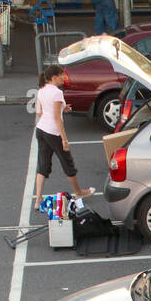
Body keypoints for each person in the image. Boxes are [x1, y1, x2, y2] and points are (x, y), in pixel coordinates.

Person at [33, 65, 95, 211]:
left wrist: (63, 109)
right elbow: (57, 119)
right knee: (68, 163)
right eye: (61, 75)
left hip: (41, 130)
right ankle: (79, 192)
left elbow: (40, 112)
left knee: (43, 165)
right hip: (53, 133)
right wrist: (64, 139)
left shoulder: (42, 89)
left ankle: (38, 199)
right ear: (54, 77)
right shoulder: (57, 93)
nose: (64, 77)